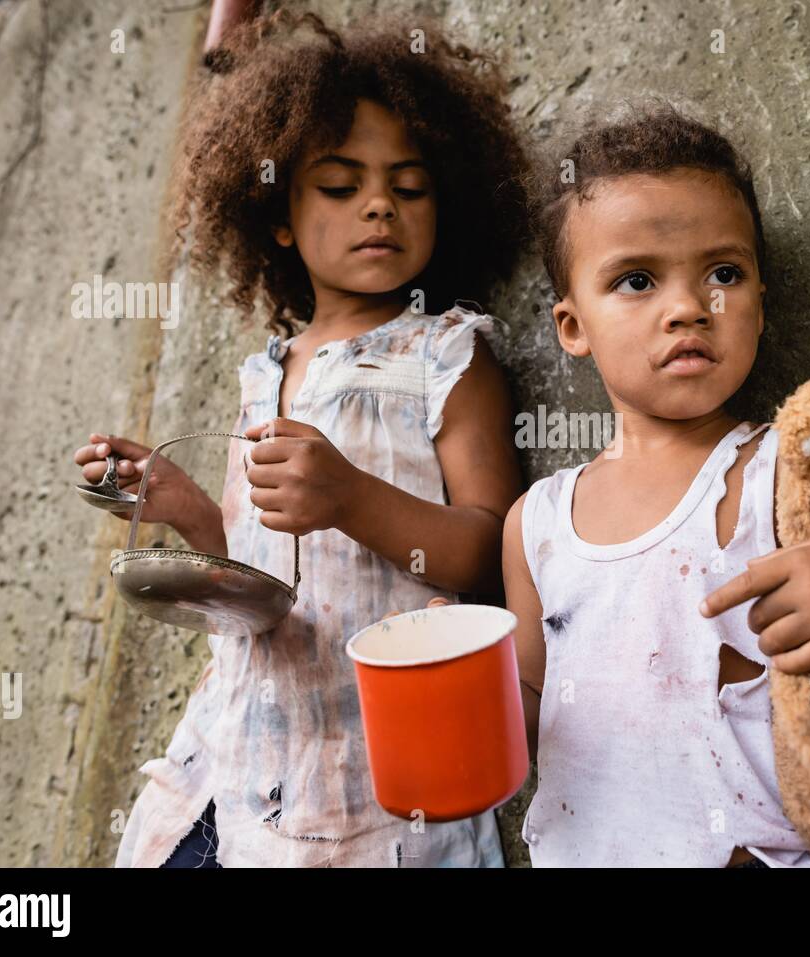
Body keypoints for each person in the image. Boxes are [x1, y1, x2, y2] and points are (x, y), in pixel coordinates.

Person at [73, 11, 527, 866]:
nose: (380, 204)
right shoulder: (263, 374)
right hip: (225, 767)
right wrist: (186, 511)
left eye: (410, 184)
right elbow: (257, 580)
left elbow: (492, 553)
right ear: (276, 215)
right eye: (339, 184)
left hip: (365, 791)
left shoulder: (446, 354)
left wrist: (353, 498)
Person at [502, 101, 810, 867]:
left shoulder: (797, 474)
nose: (687, 308)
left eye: (724, 274)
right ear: (573, 326)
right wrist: (467, 685)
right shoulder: (536, 523)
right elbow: (532, 710)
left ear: (761, 307)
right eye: (636, 280)